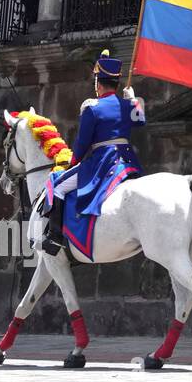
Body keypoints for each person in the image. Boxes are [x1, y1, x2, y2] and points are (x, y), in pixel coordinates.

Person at [40, 50, 145, 256]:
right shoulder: (127, 106)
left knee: (57, 185)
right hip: (127, 161)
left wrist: (72, 161)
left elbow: (82, 142)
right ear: (115, 83)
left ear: (98, 83)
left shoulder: (93, 108)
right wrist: (134, 100)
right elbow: (140, 121)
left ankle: (54, 238)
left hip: (103, 161)